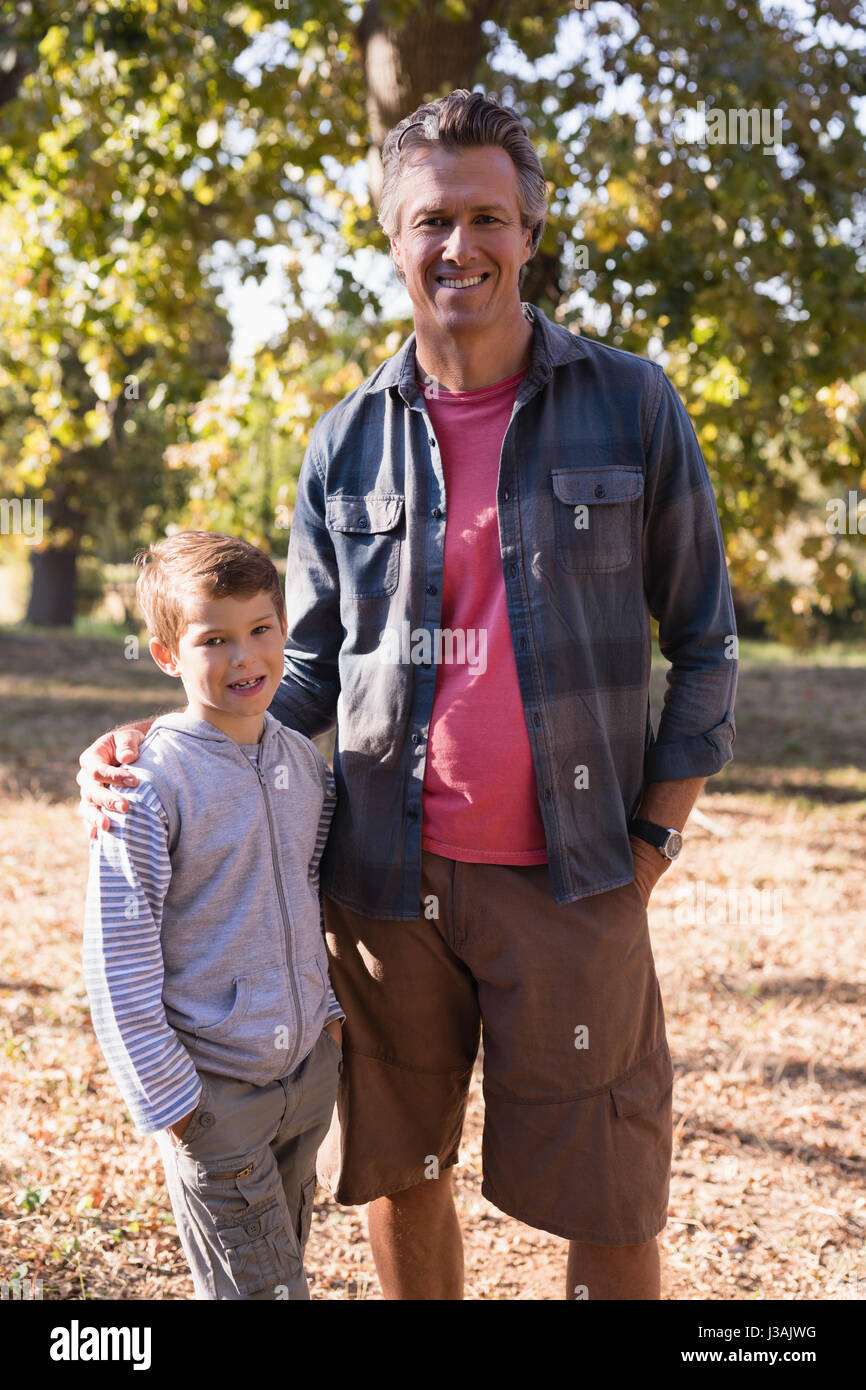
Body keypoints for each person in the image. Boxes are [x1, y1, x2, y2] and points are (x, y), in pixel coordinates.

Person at [78, 90, 737, 1301]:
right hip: (383, 884)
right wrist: (170, 743)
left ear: (529, 231)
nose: (459, 246)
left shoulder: (631, 403)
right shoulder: (344, 441)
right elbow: (308, 663)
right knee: (401, 1170)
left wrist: (654, 834)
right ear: (392, 238)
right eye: (431, 220)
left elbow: (704, 642)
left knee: (608, 1183)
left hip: (581, 872)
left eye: (488, 216)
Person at [82, 532, 344, 1300]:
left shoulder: (305, 766)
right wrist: (177, 1104)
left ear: (284, 629)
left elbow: (306, 892)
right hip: (214, 1094)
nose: (244, 658)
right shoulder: (145, 788)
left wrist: (326, 1020)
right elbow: (117, 961)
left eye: (261, 629)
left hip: (304, 1076)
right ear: (166, 655)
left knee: (276, 1267)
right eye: (214, 639)